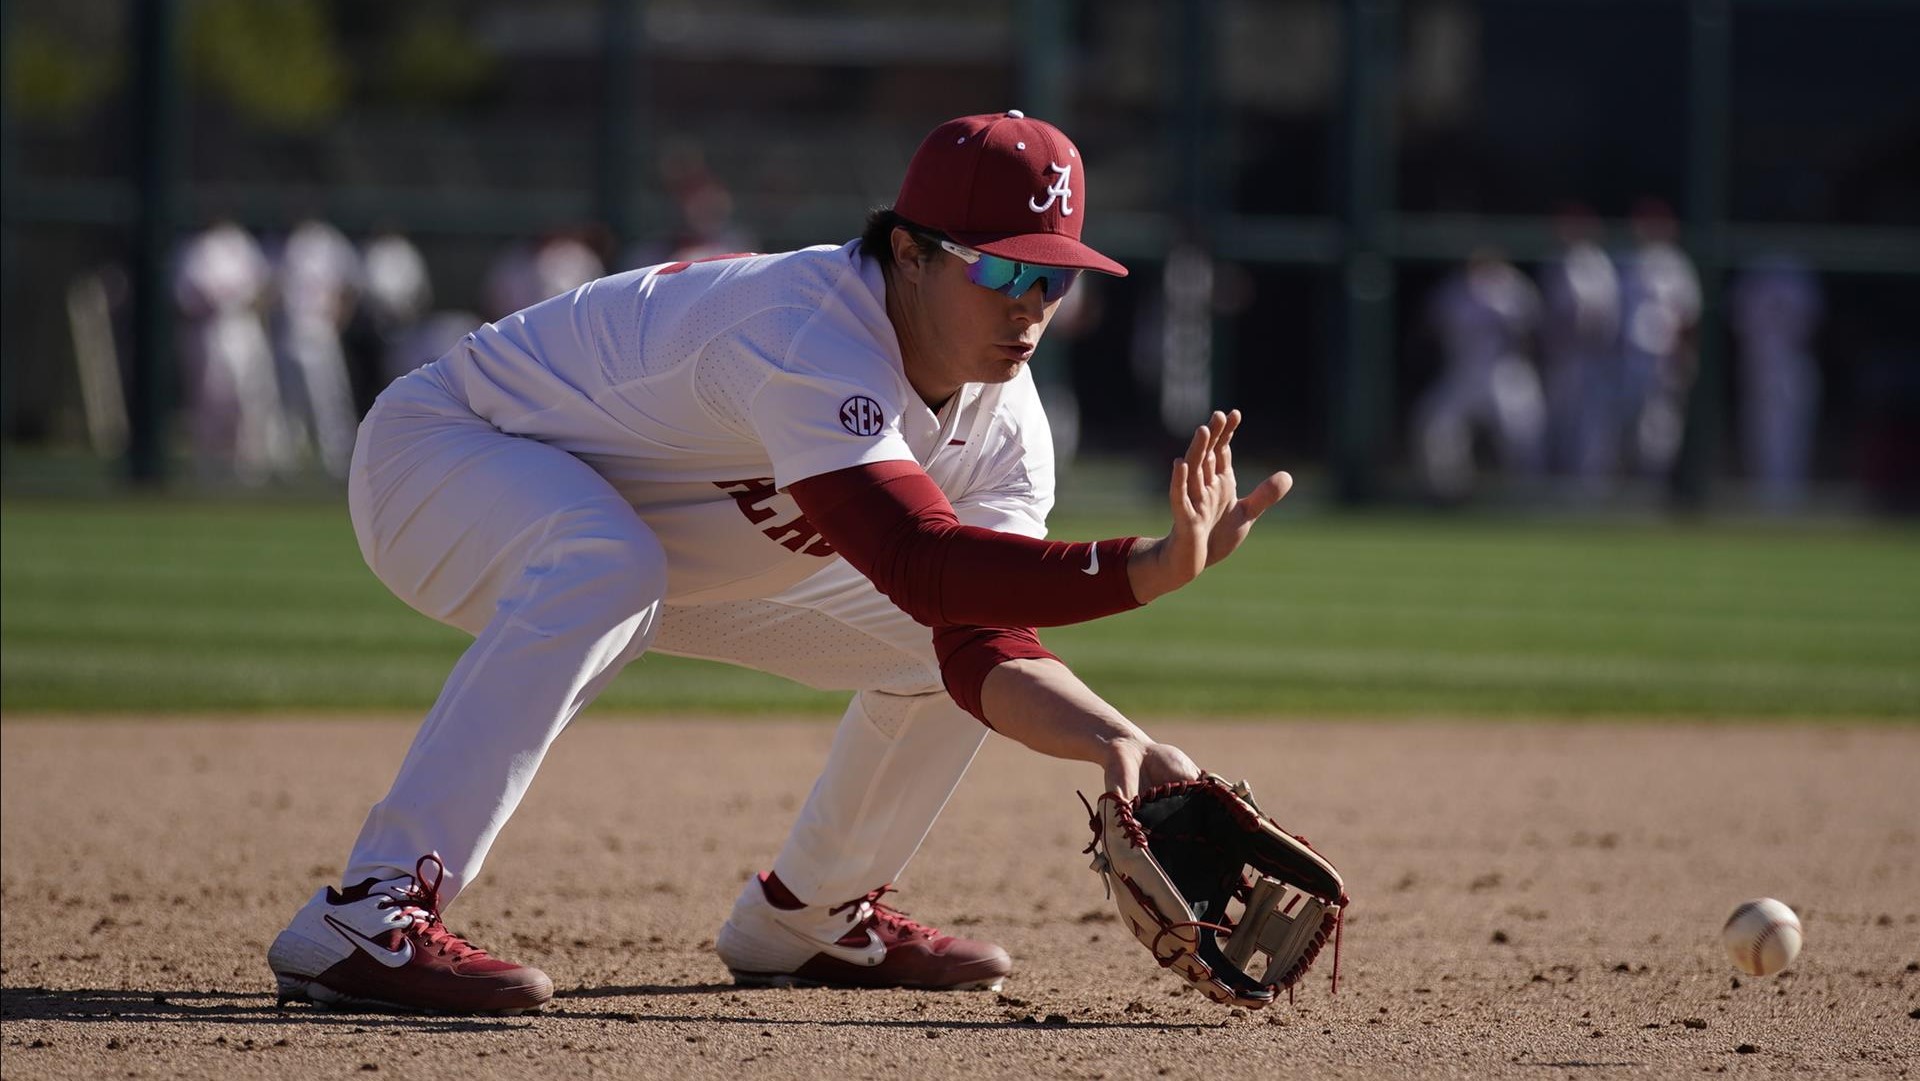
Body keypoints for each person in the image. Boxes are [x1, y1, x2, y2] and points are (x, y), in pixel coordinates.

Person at [266, 110, 1295, 1015]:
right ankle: (370, 908)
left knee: (917, 636)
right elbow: (920, 557)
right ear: (908, 254)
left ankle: (808, 913)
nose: (1030, 303)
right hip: (443, 458)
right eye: (1001, 268)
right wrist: (1144, 569)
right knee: (607, 560)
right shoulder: (809, 328)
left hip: (667, 542)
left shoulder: (1008, 423)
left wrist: (1123, 745)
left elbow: (977, 632)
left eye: (1055, 277)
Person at [1411, 247, 1546, 500]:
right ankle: (1448, 493)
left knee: (1522, 432)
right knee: (1436, 425)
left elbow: (1533, 333)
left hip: (1505, 371)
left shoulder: (1513, 288)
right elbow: (1429, 328)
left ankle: (1529, 494)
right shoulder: (1453, 290)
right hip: (1463, 370)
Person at [173, 217, 291, 485]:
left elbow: (266, 286)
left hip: (245, 325)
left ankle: (251, 466)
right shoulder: (196, 248)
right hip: (211, 328)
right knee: (212, 399)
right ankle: (210, 464)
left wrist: (255, 302)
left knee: (254, 396)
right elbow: (185, 297)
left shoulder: (241, 242)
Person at [1611, 199, 1701, 481]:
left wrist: (1684, 354)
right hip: (1624, 358)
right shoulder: (1625, 261)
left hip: (1662, 359)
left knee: (1659, 429)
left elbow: (1688, 315)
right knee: (1616, 426)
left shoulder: (1676, 265)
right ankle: (1614, 489)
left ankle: (1653, 488)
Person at [273, 218, 364, 478]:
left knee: (329, 399)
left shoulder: (328, 241)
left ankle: (337, 461)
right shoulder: (281, 241)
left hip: (320, 329)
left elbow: (351, 284)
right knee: (289, 402)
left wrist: (340, 317)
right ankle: (290, 463)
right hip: (289, 332)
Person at [1731, 254, 1823, 512]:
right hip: (1768, 361)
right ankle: (1773, 496)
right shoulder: (1783, 274)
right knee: (1766, 431)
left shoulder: (1767, 274)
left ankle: (1782, 497)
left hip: (1781, 361)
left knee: (1780, 433)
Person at [1536, 204, 1621, 482]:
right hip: (1562, 355)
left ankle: (1588, 487)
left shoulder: (1595, 262)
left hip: (1593, 355)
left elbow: (1600, 312)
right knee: (1558, 419)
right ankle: (1554, 482)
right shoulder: (1558, 260)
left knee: (1590, 424)